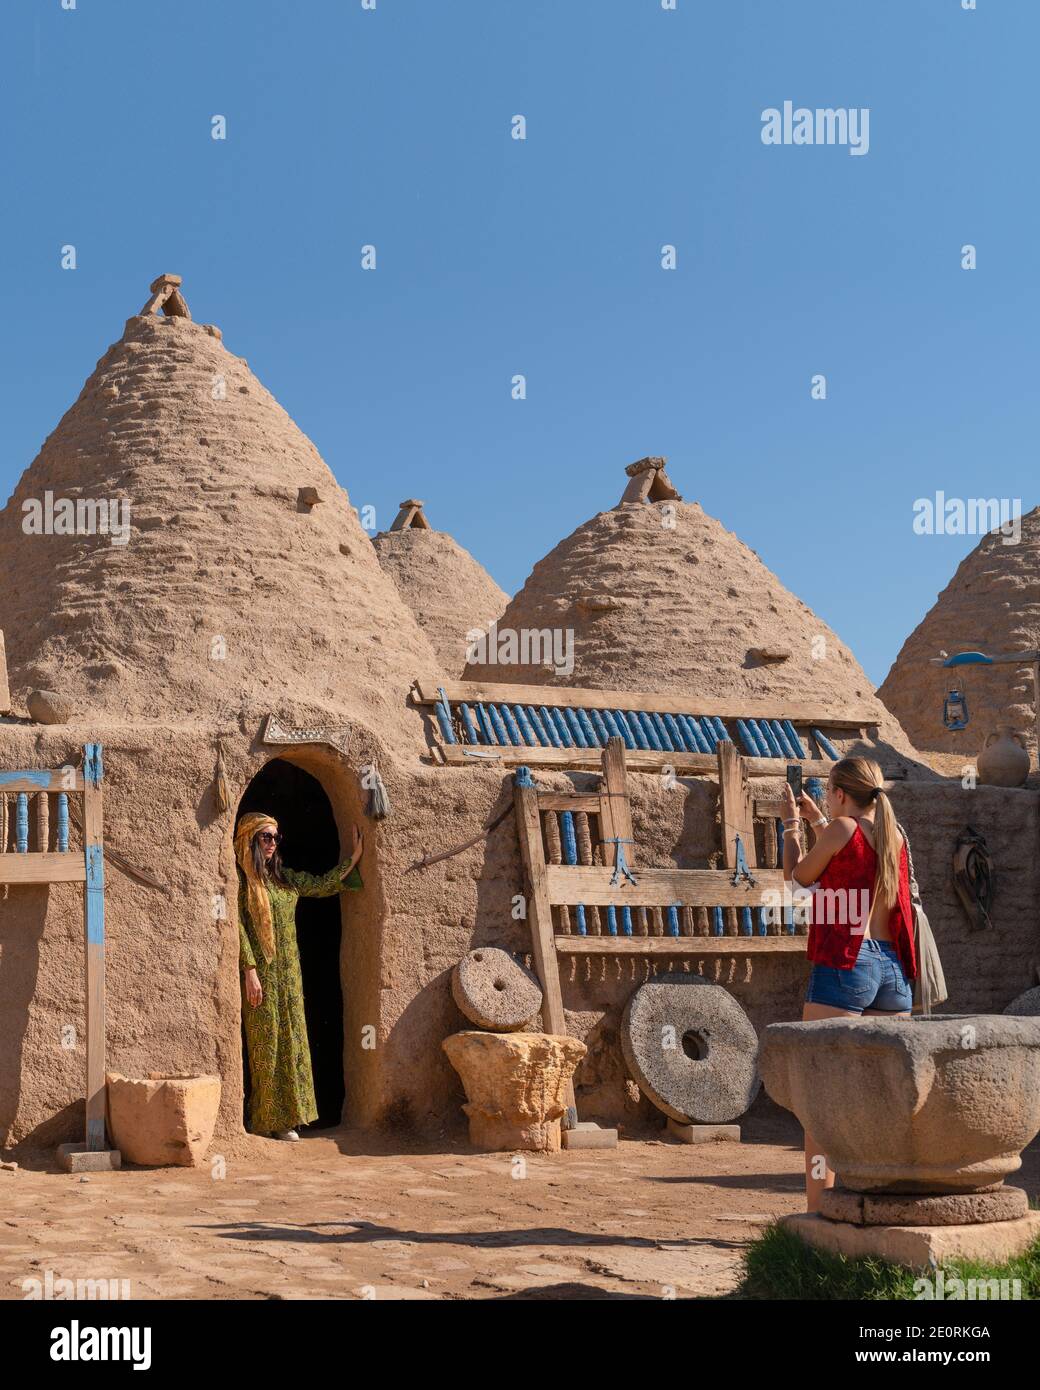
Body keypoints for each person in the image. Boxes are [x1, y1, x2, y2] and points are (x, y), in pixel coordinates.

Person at [780, 756, 917, 1212]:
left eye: (828, 795)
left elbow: (797, 884)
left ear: (841, 794)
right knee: (877, 1098)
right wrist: (820, 820)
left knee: (819, 1097)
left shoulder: (841, 830)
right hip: (892, 971)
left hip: (848, 963)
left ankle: (818, 1214)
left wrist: (791, 830)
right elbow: (850, 863)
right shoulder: (894, 835)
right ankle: (874, 1211)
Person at [236, 810, 364, 1140]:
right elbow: (238, 929)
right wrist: (249, 971)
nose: (272, 843)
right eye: (266, 836)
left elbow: (322, 886)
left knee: (293, 1040)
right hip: (262, 975)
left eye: (276, 838)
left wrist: (355, 858)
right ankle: (267, 1121)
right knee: (267, 1044)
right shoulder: (242, 884)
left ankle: (291, 1118)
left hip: (290, 975)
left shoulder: (284, 879)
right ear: (250, 839)